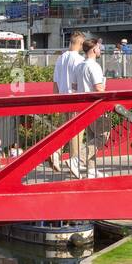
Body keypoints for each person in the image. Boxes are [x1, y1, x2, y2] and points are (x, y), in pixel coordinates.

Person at [68, 38, 107, 178]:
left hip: (83, 106)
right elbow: (98, 87)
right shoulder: (94, 66)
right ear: (94, 49)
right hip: (96, 105)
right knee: (103, 136)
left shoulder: (79, 65)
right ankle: (77, 160)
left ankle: (91, 170)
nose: (100, 49)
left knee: (92, 136)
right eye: (99, 47)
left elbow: (73, 86)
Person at [50, 32, 85, 173]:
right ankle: (74, 161)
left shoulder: (61, 58)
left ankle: (56, 152)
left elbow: (55, 82)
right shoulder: (80, 59)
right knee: (77, 132)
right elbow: (79, 82)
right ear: (81, 43)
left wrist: (56, 100)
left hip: (63, 98)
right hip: (75, 99)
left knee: (64, 130)